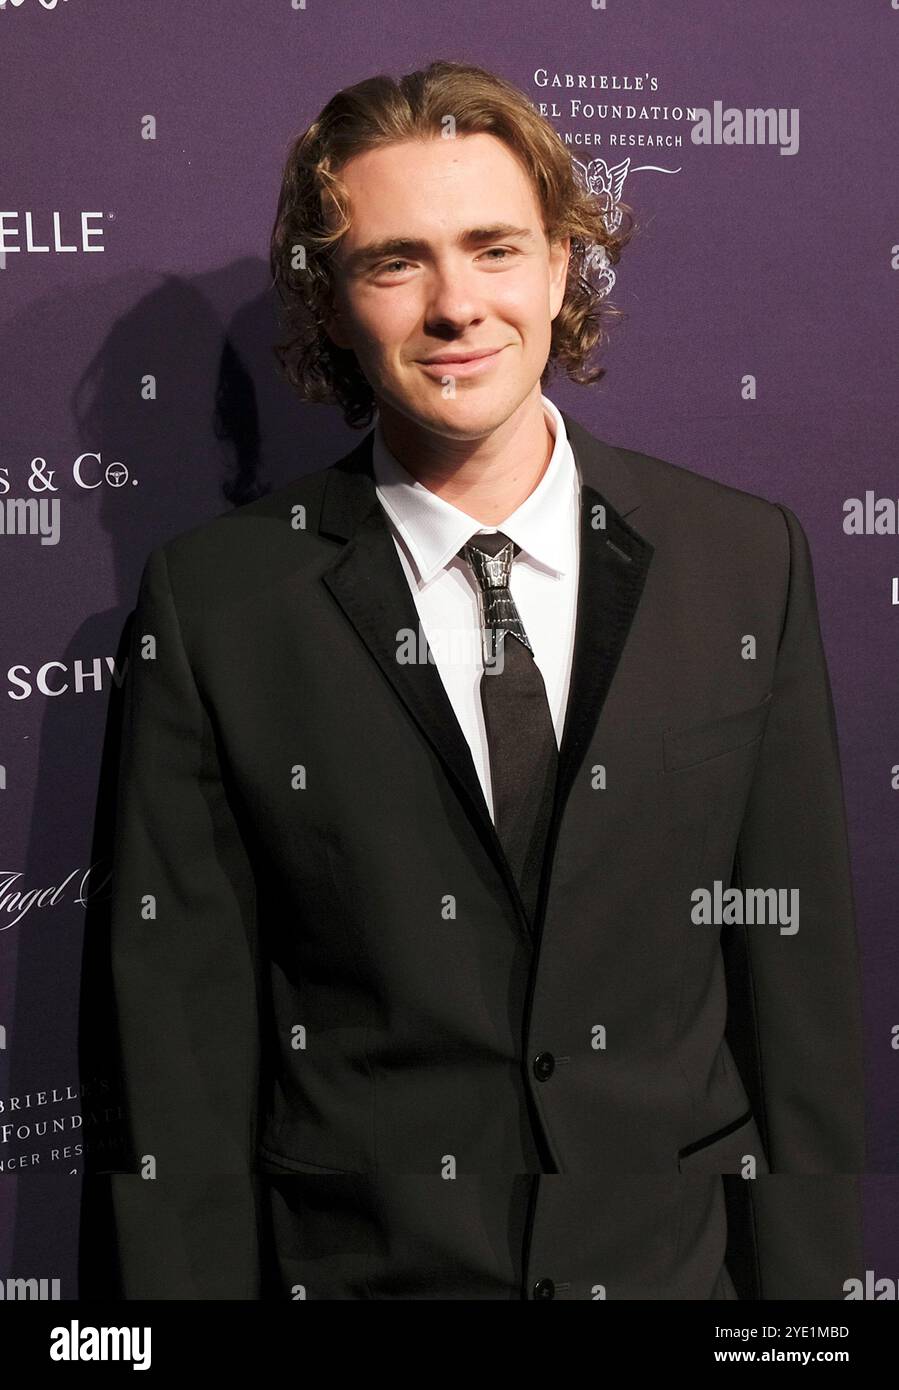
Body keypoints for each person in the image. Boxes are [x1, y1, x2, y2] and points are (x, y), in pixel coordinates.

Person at [105, 59, 865, 1300]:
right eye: (395, 261)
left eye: (494, 247)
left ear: (562, 266)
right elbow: (178, 1053)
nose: (456, 304)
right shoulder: (219, 606)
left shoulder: (741, 559)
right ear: (335, 303)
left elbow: (795, 1001)